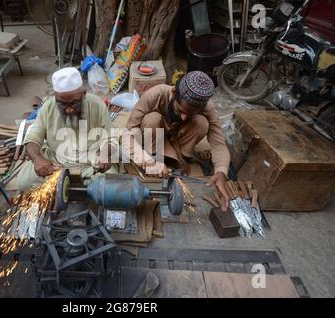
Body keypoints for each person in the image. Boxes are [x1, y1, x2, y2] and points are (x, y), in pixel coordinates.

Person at [124, 71, 230, 211]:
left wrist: (221, 172)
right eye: (181, 110)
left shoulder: (206, 107)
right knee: (152, 119)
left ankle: (176, 160)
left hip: (178, 139)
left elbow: (218, 144)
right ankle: (157, 159)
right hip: (154, 138)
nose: (184, 117)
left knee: (202, 123)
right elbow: (127, 134)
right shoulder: (156, 95)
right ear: (174, 93)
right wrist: (147, 161)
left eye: (190, 114)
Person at [17, 67, 117, 191]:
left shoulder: (97, 105)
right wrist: (38, 160)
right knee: (23, 183)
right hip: (55, 165)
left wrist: (104, 154)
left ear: (84, 94)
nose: (69, 109)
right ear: (55, 98)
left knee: (112, 188)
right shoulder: (48, 107)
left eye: (74, 103)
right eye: (62, 104)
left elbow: (111, 138)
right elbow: (32, 138)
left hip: (90, 166)